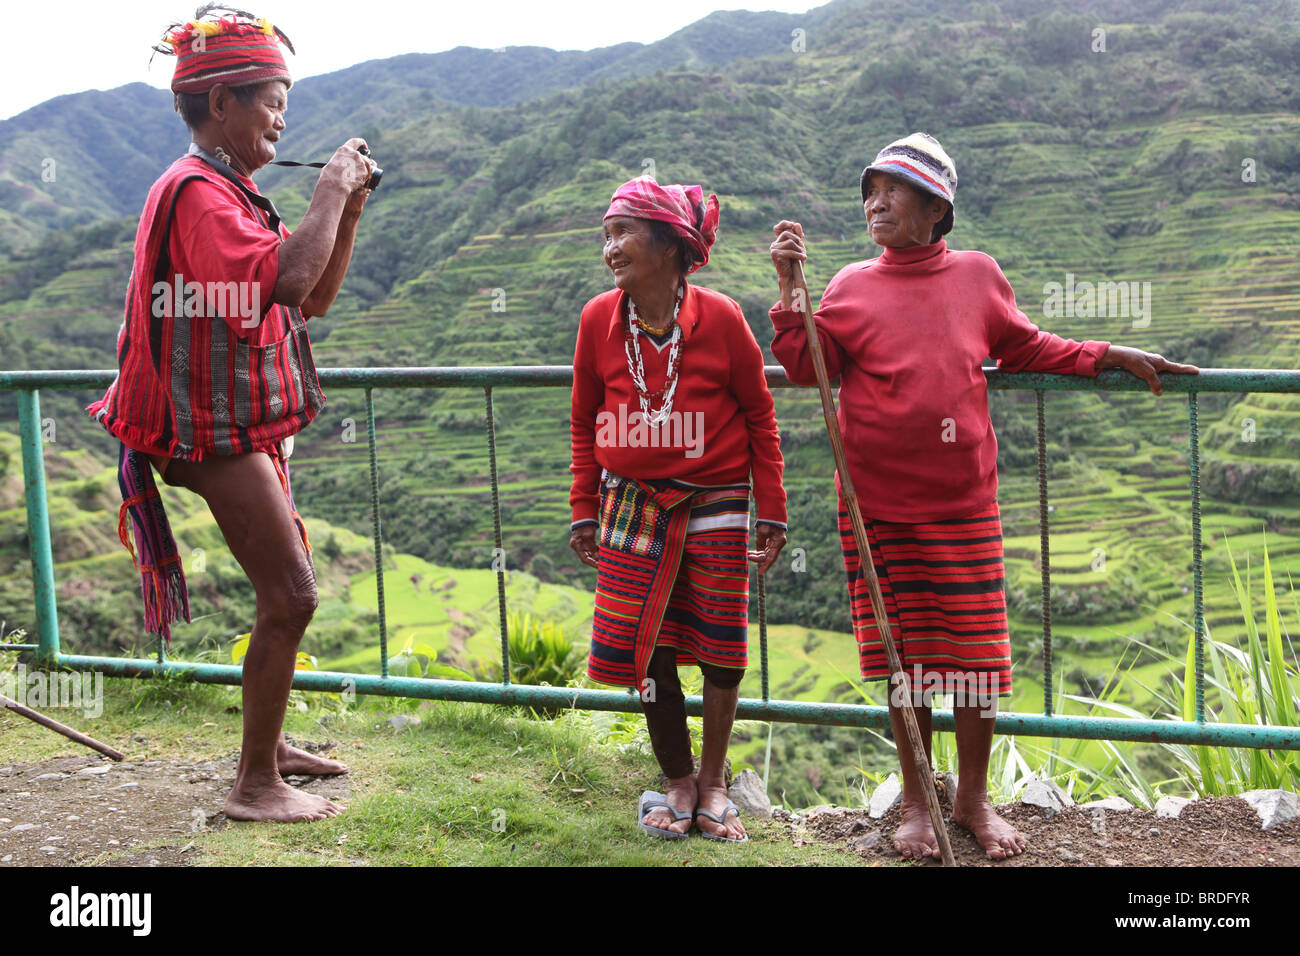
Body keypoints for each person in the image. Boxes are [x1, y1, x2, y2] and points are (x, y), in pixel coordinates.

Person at [767, 132, 1197, 859]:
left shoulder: (977, 275)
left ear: (937, 208)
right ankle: (915, 799)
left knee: (973, 655)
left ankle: (970, 798)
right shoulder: (848, 285)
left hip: (962, 501)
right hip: (875, 507)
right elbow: (812, 368)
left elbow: (1026, 347)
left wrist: (1107, 355)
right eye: (871, 189)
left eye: (894, 190)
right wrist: (789, 291)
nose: (877, 201)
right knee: (906, 662)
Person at [87, 9, 376, 822]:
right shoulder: (196, 194)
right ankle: (254, 786)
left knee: (280, 594)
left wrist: (346, 210)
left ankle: (268, 742)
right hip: (195, 425)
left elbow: (311, 294)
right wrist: (326, 188)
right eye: (271, 101)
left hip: (225, 420)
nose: (283, 118)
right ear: (220, 104)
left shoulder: (231, 191)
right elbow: (285, 281)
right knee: (293, 595)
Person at [569, 176, 787, 841]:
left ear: (669, 246)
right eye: (606, 235)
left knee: (722, 646)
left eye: (623, 233)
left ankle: (716, 781)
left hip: (717, 498)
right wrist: (584, 506)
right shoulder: (596, 321)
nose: (610, 249)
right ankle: (678, 778)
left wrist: (771, 510)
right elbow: (584, 421)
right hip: (630, 503)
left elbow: (759, 415)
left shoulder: (720, 319)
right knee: (650, 649)